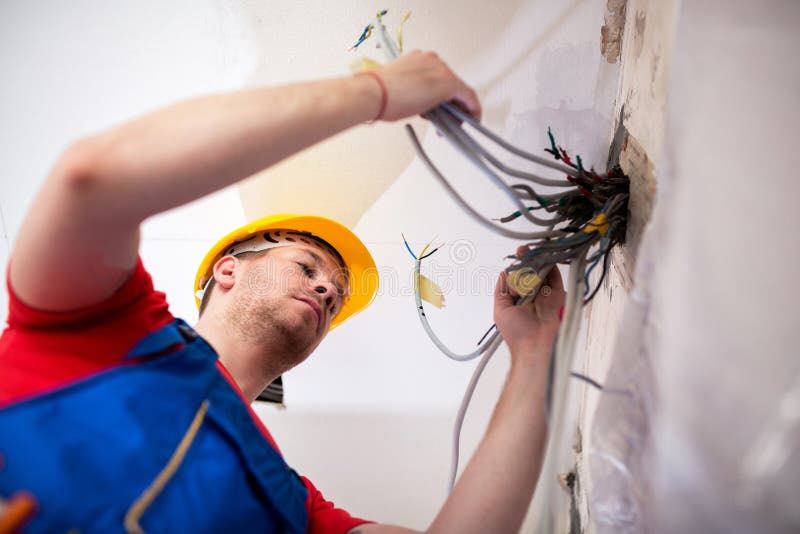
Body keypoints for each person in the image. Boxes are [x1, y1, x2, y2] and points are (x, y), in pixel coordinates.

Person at [0, 50, 565, 533]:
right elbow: (91, 179)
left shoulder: (287, 505)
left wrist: (535, 352)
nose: (326, 289)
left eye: (337, 297)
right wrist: (380, 91)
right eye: (307, 265)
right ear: (228, 271)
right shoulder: (99, 327)